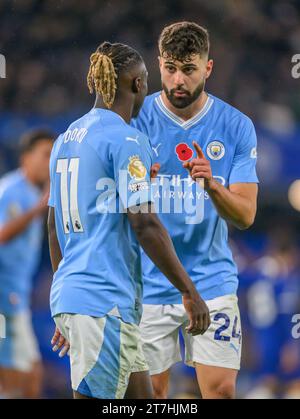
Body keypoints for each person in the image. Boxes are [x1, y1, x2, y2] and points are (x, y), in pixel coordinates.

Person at [48, 41, 210, 400]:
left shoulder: (65, 139)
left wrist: (67, 296)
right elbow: (145, 224)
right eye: (148, 81)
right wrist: (189, 290)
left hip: (84, 299)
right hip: (103, 302)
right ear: (137, 84)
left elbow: (53, 223)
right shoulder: (126, 138)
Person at [131, 21, 259, 399]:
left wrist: (212, 185)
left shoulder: (236, 126)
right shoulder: (135, 122)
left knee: (219, 392)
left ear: (208, 68)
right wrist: (134, 186)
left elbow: (246, 216)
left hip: (211, 279)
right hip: (149, 284)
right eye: (170, 68)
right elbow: (109, 211)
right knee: (150, 395)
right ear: (158, 65)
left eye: (188, 69)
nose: (177, 80)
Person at [0, 129, 54, 398]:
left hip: (15, 298)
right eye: (45, 155)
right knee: (16, 378)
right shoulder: (10, 191)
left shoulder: (34, 194)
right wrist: (37, 210)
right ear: (25, 159)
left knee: (30, 376)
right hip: (3, 301)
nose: (50, 162)